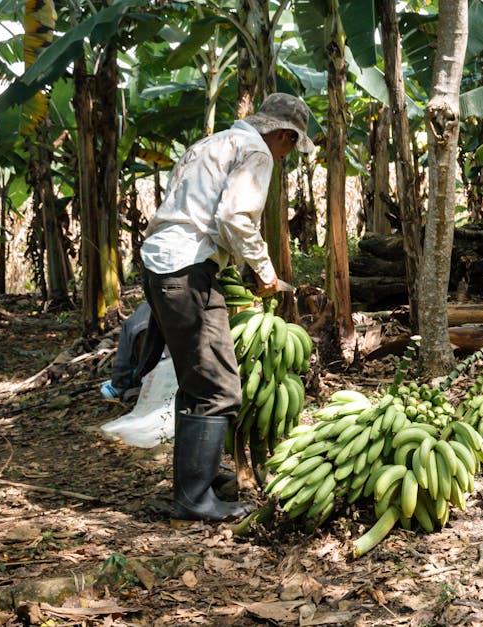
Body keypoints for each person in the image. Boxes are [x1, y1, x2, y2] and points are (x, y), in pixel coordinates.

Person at [139, 92, 314, 523]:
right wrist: (265, 271)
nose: (288, 155)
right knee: (219, 387)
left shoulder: (211, 144)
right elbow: (235, 218)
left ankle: (195, 476)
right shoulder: (257, 151)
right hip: (186, 269)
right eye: (291, 147)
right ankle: (194, 498)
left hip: (160, 263)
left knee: (196, 382)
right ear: (286, 137)